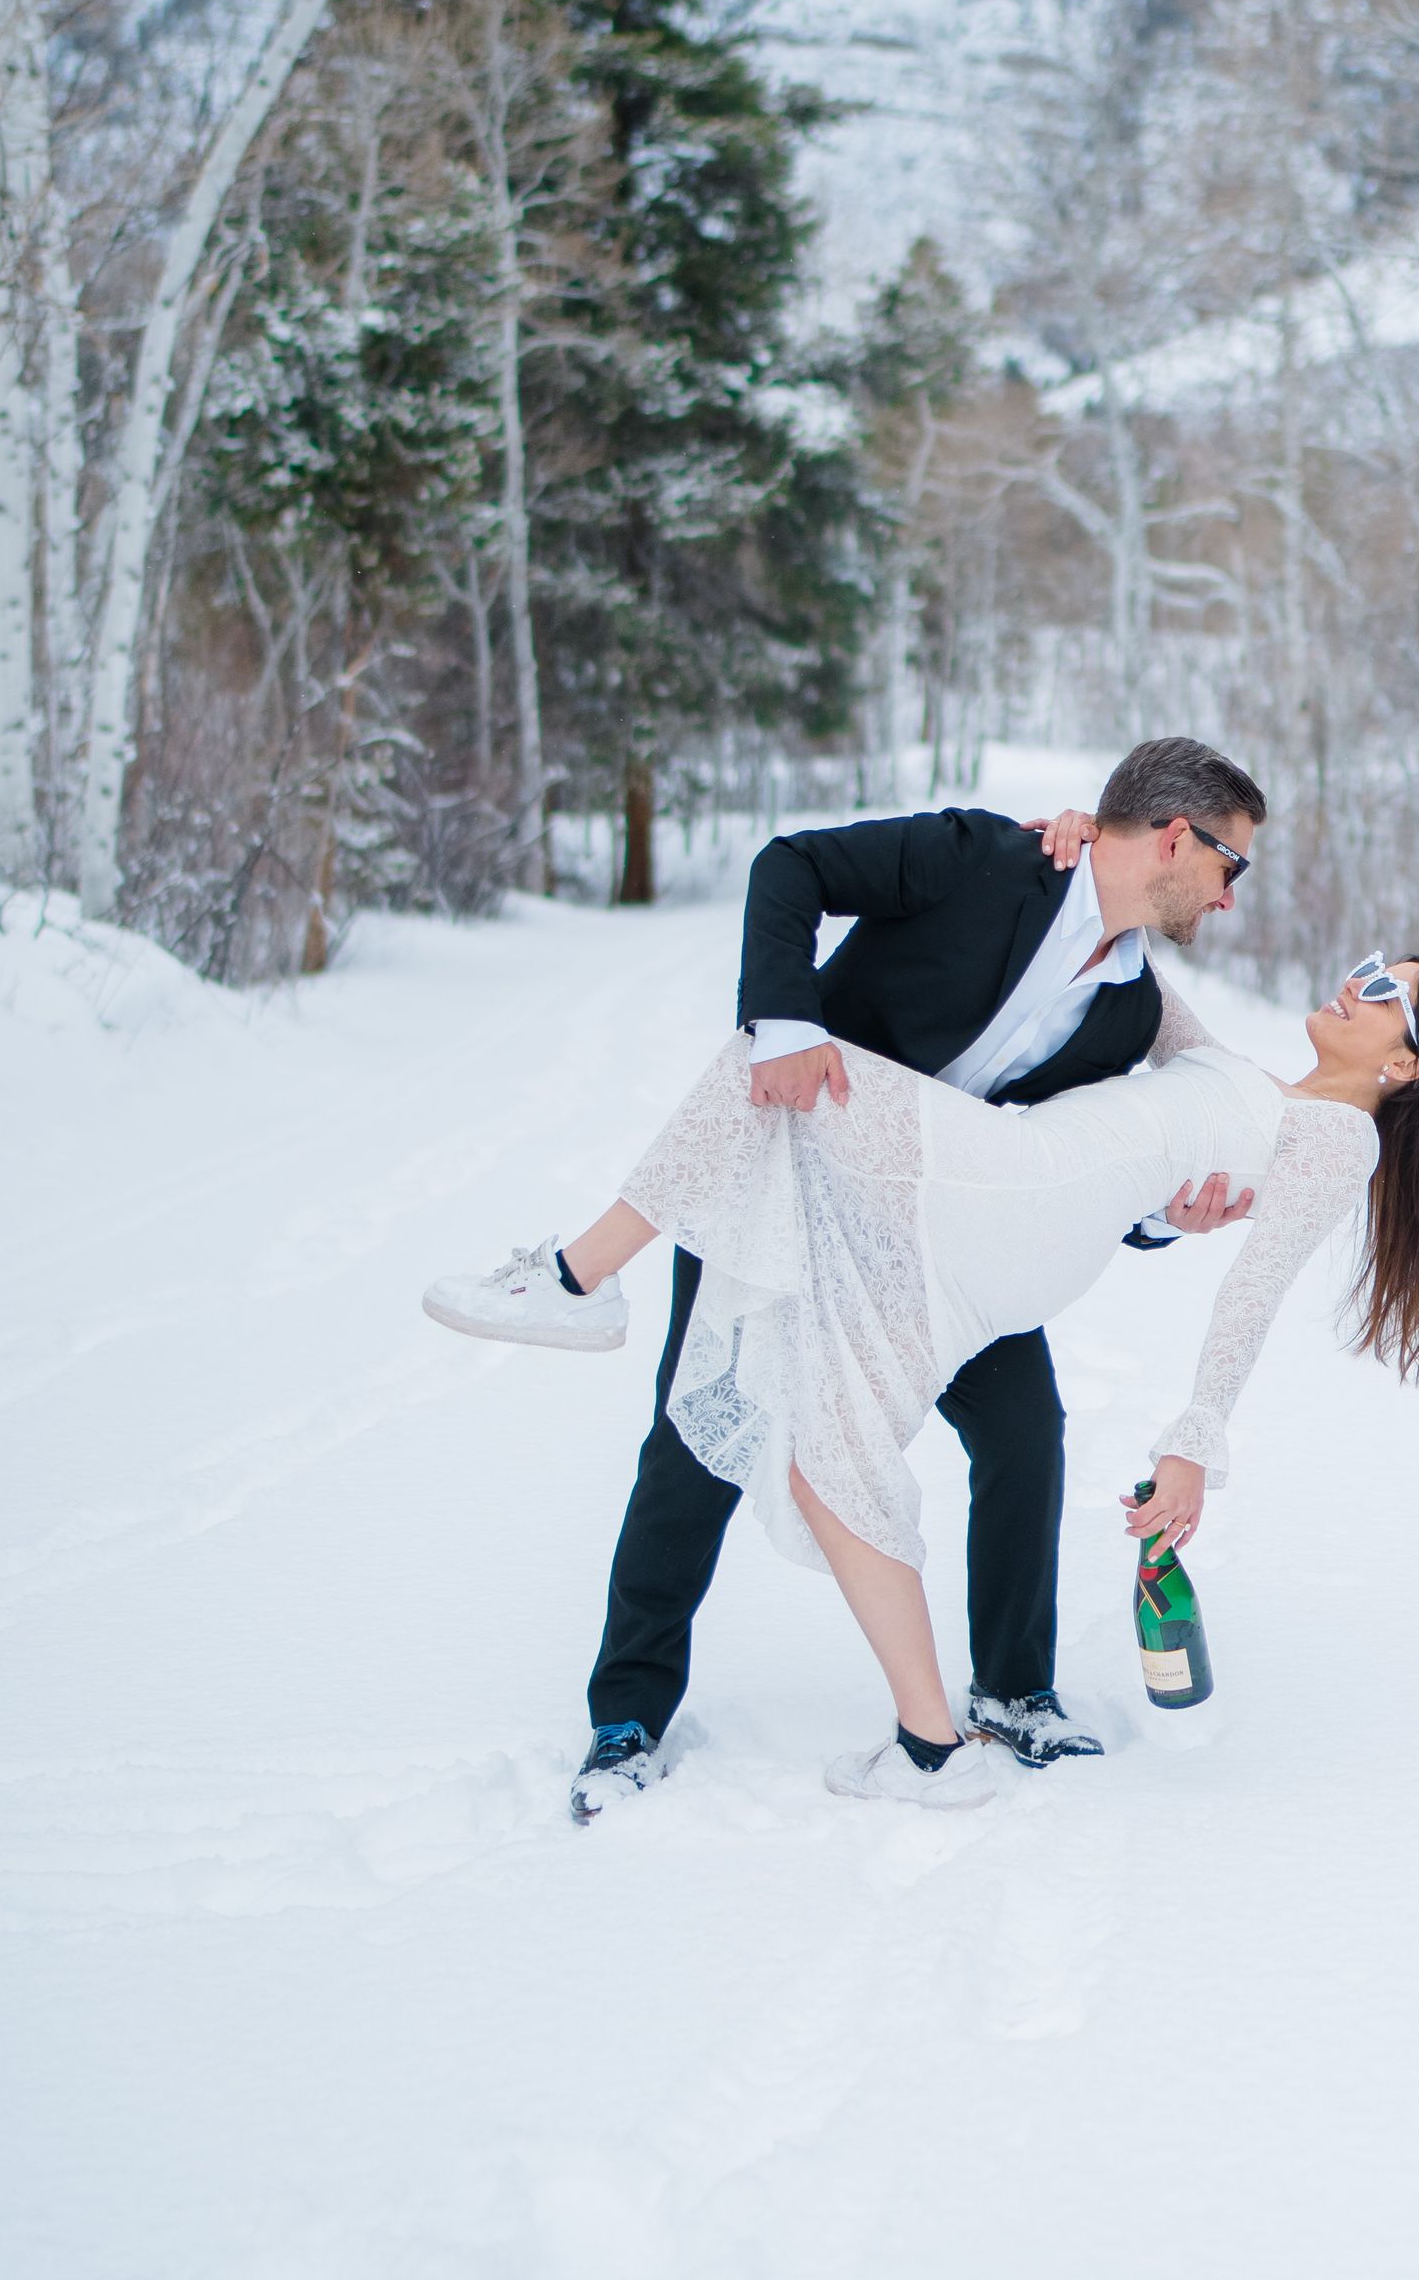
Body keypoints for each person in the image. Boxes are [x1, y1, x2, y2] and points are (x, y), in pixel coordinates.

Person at [429, 903, 1419, 1817]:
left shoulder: (1337, 1142)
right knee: (822, 1449)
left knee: (781, 1057)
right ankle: (929, 1747)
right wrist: (1108, 877)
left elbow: (1251, 1292)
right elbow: (1149, 990)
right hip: (994, 1230)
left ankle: (573, 1280)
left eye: (1381, 992)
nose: (1351, 985)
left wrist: (1192, 1444)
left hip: (1004, 1191)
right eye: (1363, 966)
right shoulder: (1264, 1083)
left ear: (1406, 1064)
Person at [428, 739, 1272, 1816]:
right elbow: (790, 868)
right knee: (699, 1442)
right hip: (780, 1171)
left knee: (1024, 1433)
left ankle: (1013, 1691)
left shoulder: (1125, 1011)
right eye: (1229, 865)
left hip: (939, 1250)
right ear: (1170, 837)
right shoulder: (980, 858)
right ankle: (627, 1714)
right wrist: (785, 1025)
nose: (1229, 897)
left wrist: (1165, 1219)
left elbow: (1080, 1158)